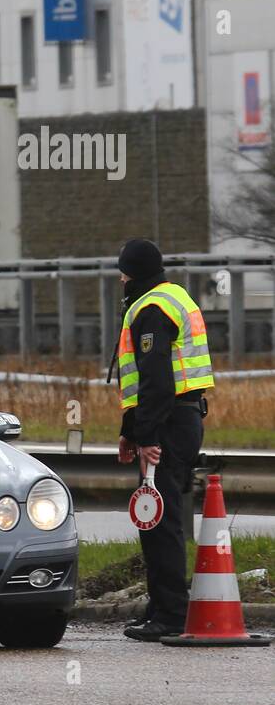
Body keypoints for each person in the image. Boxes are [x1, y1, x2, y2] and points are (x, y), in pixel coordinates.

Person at [112, 238, 213, 642]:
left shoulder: (152, 308)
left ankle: (171, 615)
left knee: (161, 520)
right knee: (157, 518)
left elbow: (156, 380)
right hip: (178, 419)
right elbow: (144, 381)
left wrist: (147, 437)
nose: (119, 278)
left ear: (130, 272)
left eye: (121, 271)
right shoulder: (172, 297)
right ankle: (160, 609)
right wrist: (128, 431)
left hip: (168, 423)